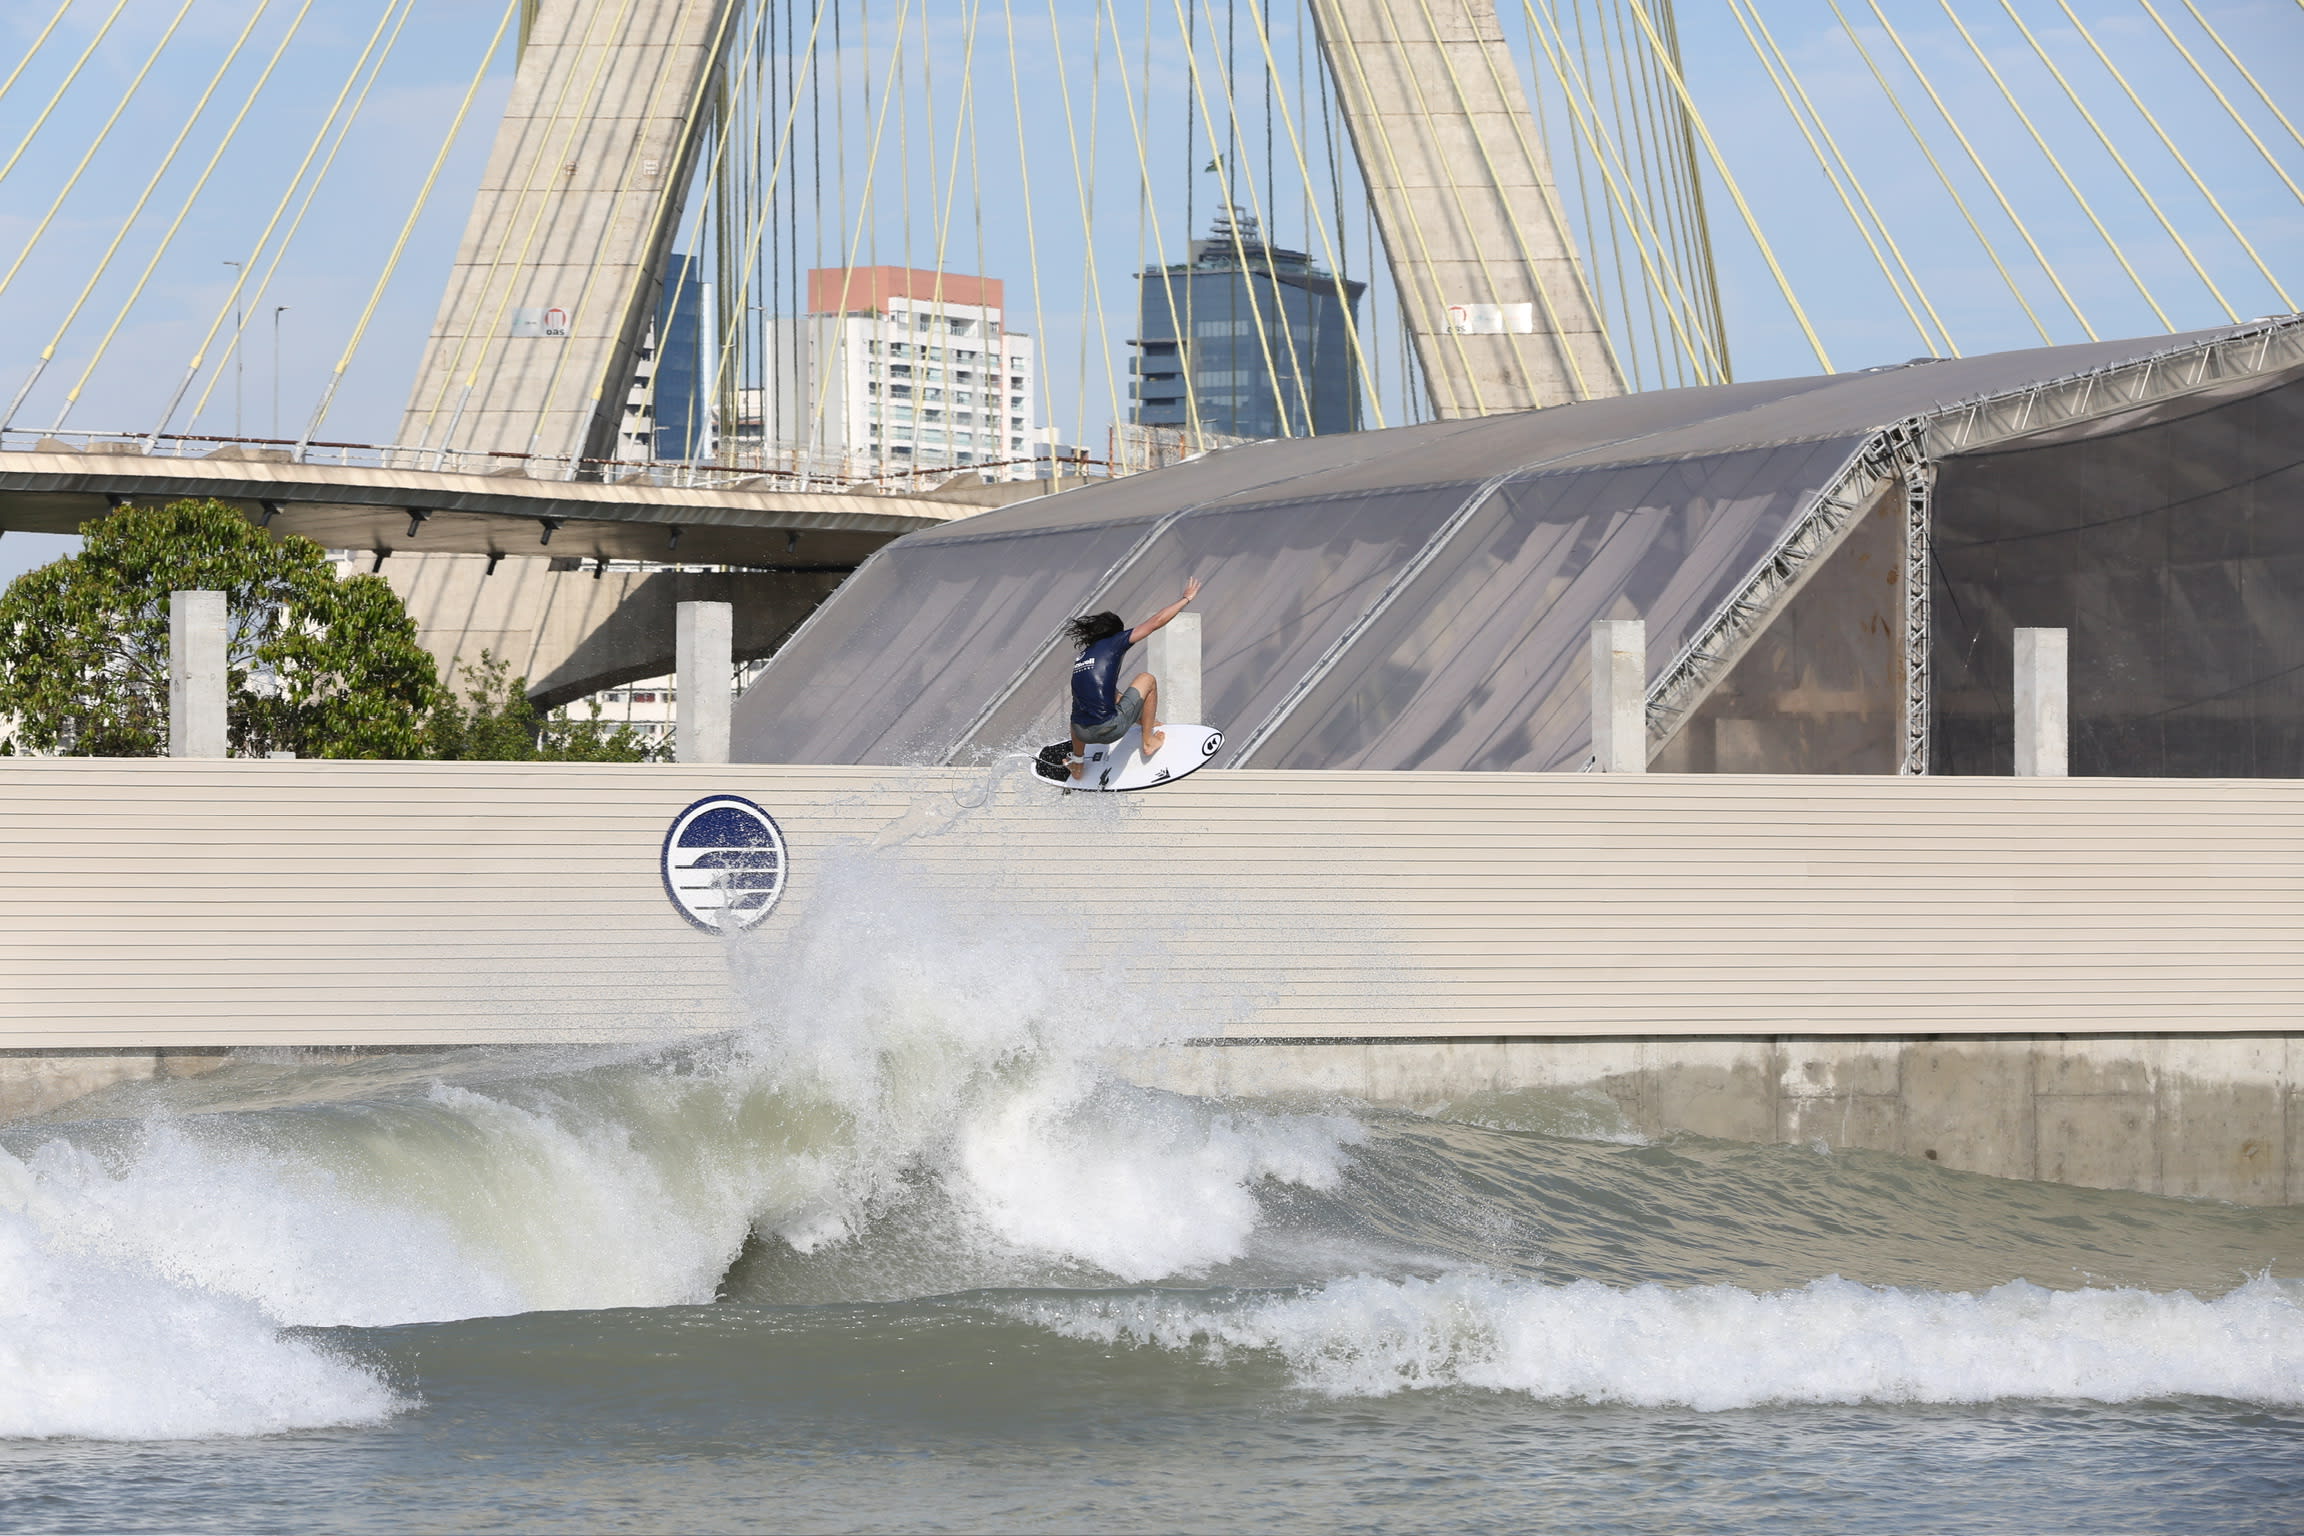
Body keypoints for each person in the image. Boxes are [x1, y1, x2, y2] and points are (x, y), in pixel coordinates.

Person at [1063, 577, 1202, 778]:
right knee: (1147, 679)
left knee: (1092, 697)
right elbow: (1156, 622)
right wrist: (1186, 599)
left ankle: (1077, 764)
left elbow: (1112, 698)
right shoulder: (1114, 642)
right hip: (1109, 729)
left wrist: (1146, 719)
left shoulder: (1082, 657)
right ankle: (1148, 741)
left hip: (1080, 732)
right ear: (1115, 633)